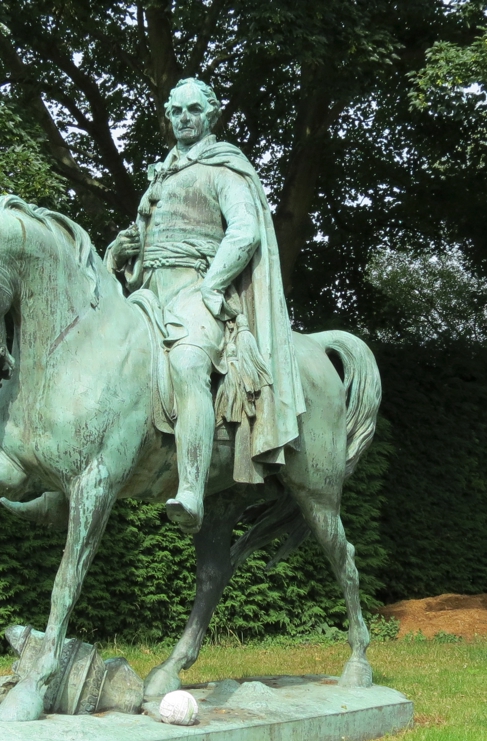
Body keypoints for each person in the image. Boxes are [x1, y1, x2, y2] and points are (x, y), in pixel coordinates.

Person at [106, 78, 304, 534]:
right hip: (147, 296)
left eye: (193, 109)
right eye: (176, 111)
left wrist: (211, 287)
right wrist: (118, 253)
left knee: (189, 363)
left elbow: (244, 232)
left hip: (197, 291)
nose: (184, 118)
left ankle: (191, 488)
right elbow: (140, 254)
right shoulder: (158, 177)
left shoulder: (224, 168)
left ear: (211, 114)